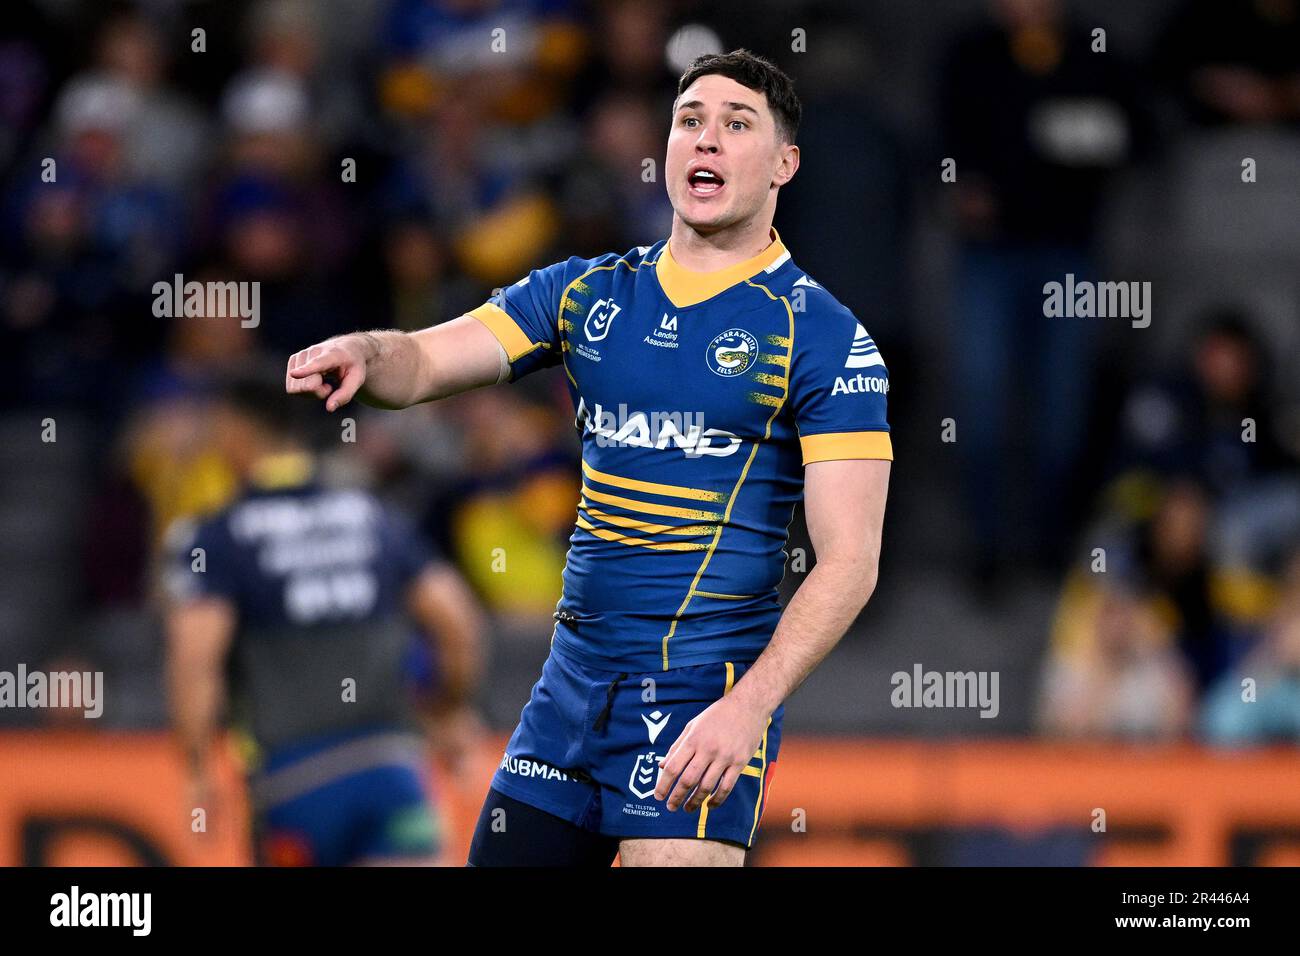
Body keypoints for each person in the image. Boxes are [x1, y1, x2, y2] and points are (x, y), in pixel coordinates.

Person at [285, 49, 892, 867]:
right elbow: (427, 361)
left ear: (784, 163)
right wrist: (364, 348)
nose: (706, 140)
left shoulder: (824, 336)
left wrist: (749, 710)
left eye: (736, 125)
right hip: (569, 689)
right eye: (690, 122)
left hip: (698, 701)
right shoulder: (586, 292)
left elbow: (849, 563)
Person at [164, 373, 485, 865]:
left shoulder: (220, 536)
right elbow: (456, 618)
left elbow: (194, 658)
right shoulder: (368, 512)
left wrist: (196, 765)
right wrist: (446, 706)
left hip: (295, 780)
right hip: (393, 769)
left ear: (237, 431)